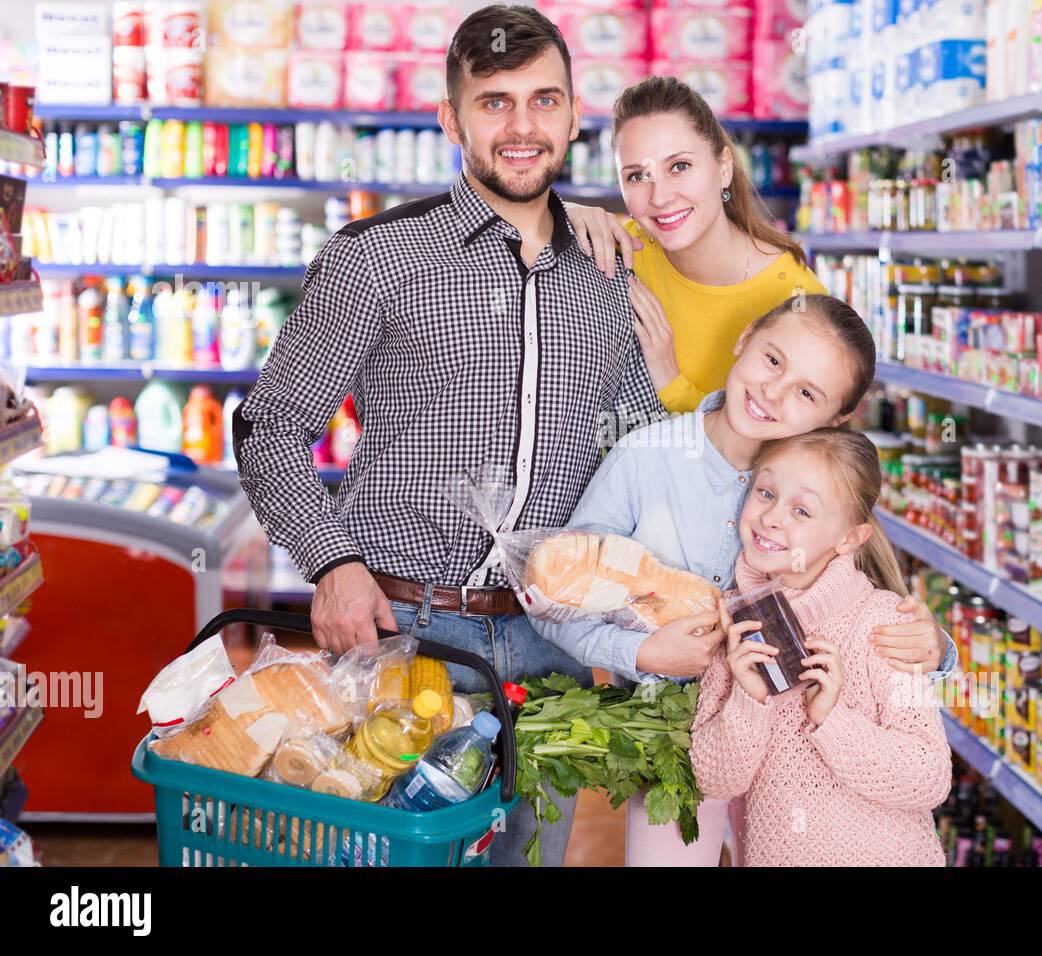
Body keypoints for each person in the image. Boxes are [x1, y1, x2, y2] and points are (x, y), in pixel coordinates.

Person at [232, 4, 663, 867]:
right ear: (450, 118)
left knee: (528, 862)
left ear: (574, 115)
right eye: (494, 102)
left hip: (554, 649)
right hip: (402, 632)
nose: (521, 126)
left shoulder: (609, 273)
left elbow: (639, 456)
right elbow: (270, 425)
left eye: (543, 101)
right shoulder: (377, 256)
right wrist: (333, 566)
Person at [531, 293, 956, 864]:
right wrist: (643, 651)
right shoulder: (646, 458)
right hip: (679, 740)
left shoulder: (822, 485)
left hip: (805, 773)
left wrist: (937, 647)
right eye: (773, 360)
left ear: (834, 420)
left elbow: (869, 598)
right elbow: (556, 598)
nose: (773, 393)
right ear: (746, 337)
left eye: (807, 393)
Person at [692, 428, 952, 866]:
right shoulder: (738, 627)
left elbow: (930, 776)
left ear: (849, 538)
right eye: (766, 492)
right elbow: (714, 778)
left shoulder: (883, 623)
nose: (772, 517)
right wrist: (749, 699)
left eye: (801, 510)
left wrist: (833, 721)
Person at [564, 75, 828, 414]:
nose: (659, 197)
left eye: (680, 166)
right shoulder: (619, 246)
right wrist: (561, 211)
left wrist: (672, 384)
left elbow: (794, 448)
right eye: (637, 176)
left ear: (724, 168)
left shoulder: (796, 300)